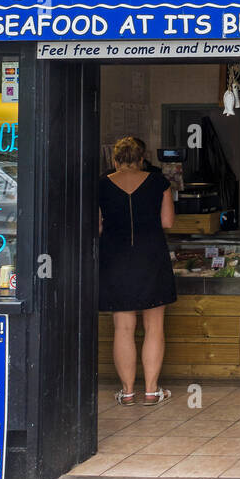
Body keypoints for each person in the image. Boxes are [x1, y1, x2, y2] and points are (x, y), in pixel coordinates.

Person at [99, 135, 177, 405]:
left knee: (123, 327)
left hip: (115, 258)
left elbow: (96, 226)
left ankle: (128, 391)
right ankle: (152, 391)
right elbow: (167, 221)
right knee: (154, 327)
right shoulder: (159, 183)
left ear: (115, 159)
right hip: (151, 256)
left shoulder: (101, 185)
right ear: (142, 158)